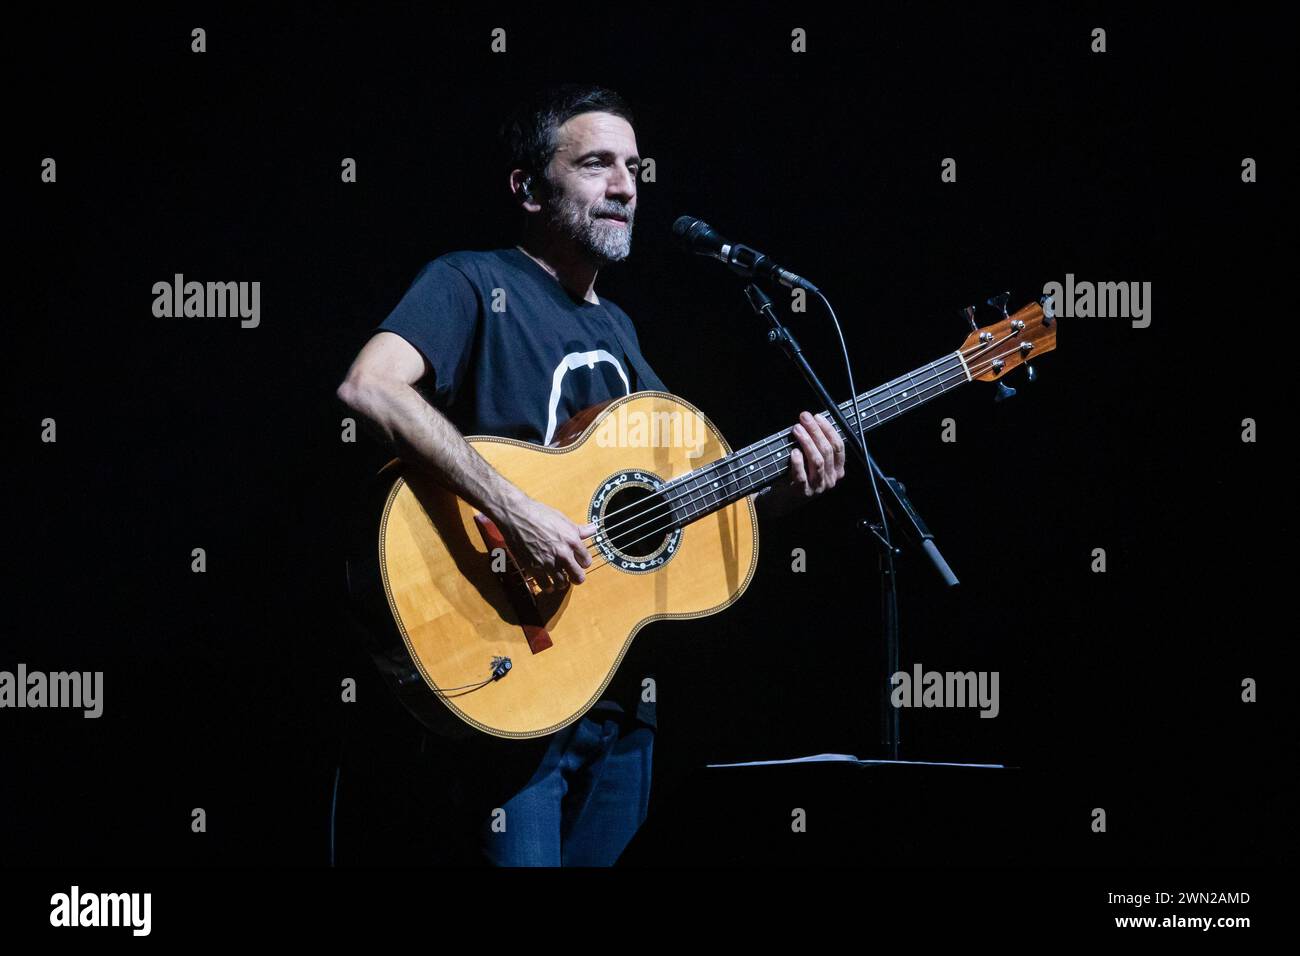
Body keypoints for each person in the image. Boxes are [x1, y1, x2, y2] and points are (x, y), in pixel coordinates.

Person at [337, 83, 845, 866]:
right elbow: (370, 386)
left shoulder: (621, 331)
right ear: (528, 188)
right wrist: (520, 512)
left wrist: (781, 488)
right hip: (512, 672)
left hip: (617, 699)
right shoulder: (473, 280)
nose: (625, 187)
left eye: (634, 168)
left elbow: (675, 510)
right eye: (597, 165)